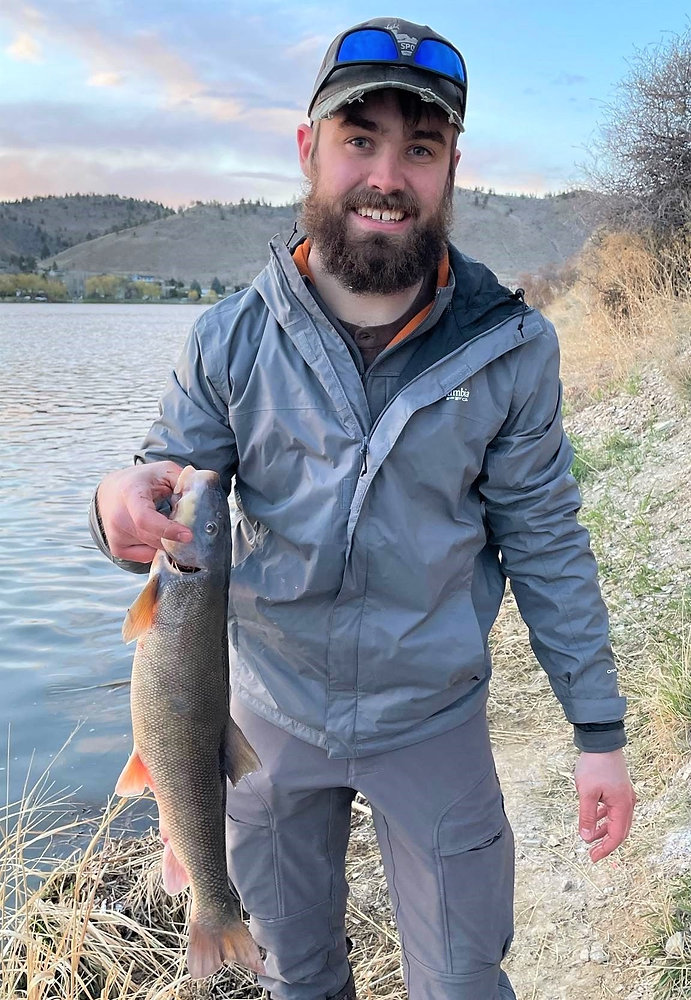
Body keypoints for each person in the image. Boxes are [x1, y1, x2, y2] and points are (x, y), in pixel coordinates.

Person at [91, 16, 636, 1000]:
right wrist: (113, 506)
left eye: (418, 148)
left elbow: (547, 544)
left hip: (430, 717)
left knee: (464, 980)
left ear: (451, 166)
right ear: (309, 149)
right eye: (358, 139)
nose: (387, 174)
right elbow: (164, 479)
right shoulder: (226, 340)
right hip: (259, 717)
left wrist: (596, 732)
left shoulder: (511, 350)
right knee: (298, 977)